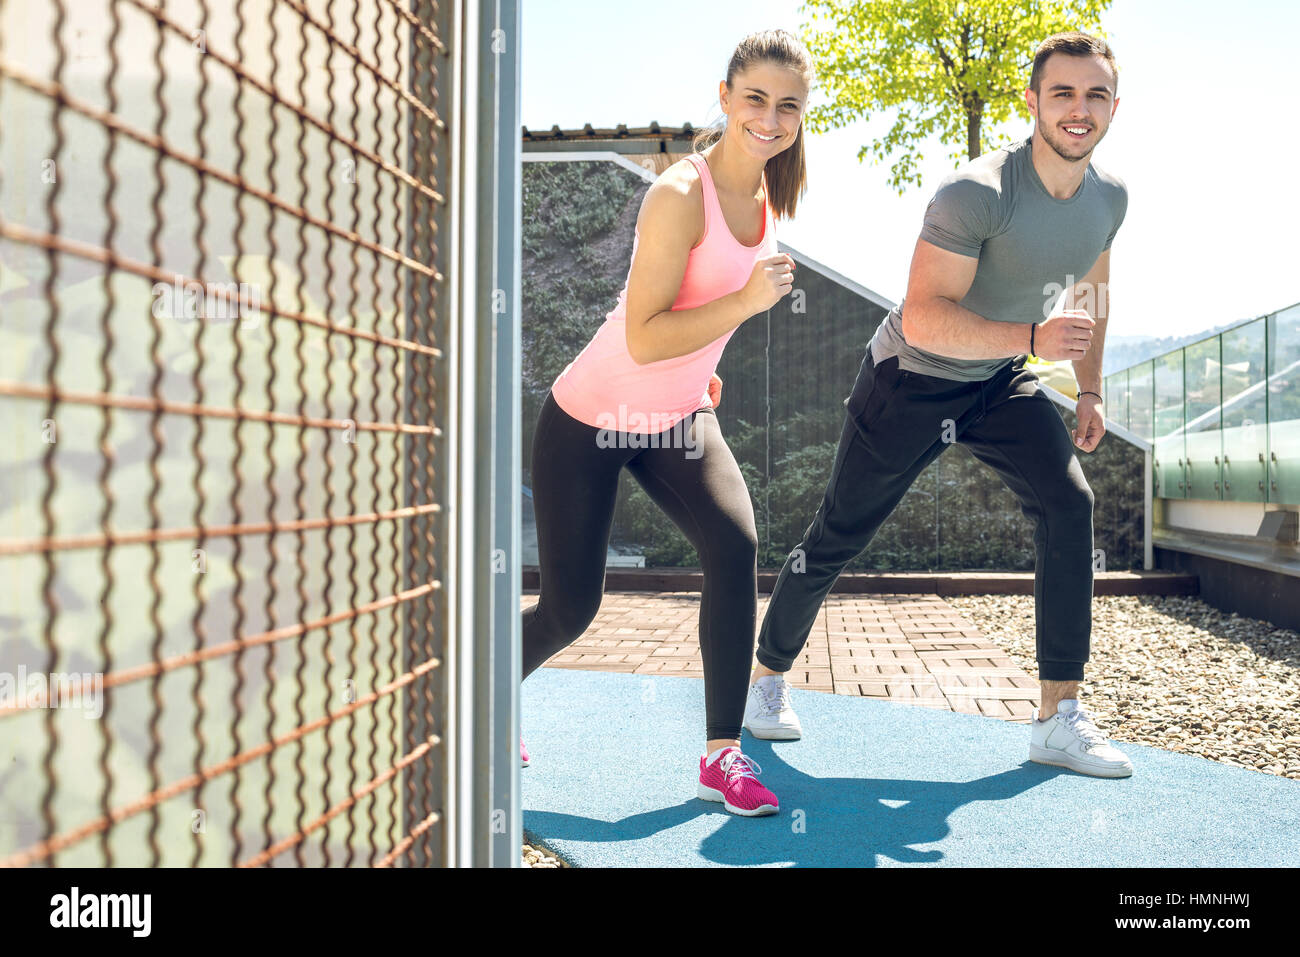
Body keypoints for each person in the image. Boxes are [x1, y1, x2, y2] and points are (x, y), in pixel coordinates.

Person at [744, 31, 1135, 779]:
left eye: (1095, 95)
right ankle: (766, 678)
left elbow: (1093, 289)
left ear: (1116, 105)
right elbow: (924, 315)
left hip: (998, 379)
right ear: (1032, 101)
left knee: (1069, 502)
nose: (1079, 110)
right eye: (1062, 93)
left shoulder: (1108, 197)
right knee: (838, 534)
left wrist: (1088, 383)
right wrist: (1034, 334)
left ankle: (1057, 716)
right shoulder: (977, 192)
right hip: (912, 378)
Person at [522, 30, 814, 815]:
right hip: (590, 417)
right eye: (755, 99)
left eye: (788, 105)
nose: (770, 117)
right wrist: (744, 305)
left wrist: (707, 358)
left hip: (679, 413)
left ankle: (724, 754)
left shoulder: (768, 194)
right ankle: (484, 696)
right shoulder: (679, 194)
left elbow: (693, 324)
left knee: (735, 542)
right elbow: (645, 333)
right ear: (724, 98)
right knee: (568, 609)